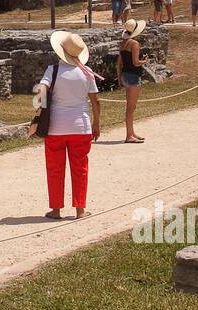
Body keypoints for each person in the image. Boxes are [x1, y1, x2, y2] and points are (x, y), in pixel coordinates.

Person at [34, 31, 101, 220]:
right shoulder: (87, 73)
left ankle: (56, 209)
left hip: (56, 127)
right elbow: (95, 101)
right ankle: (80, 209)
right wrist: (97, 123)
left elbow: (41, 91)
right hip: (81, 126)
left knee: (55, 169)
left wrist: (39, 101)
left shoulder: (53, 70)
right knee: (80, 168)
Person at [117, 18, 148, 144]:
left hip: (125, 75)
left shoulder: (123, 43)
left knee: (130, 107)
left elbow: (118, 64)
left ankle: (132, 132)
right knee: (131, 107)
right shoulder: (134, 44)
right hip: (133, 76)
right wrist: (144, 61)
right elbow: (136, 62)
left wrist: (119, 79)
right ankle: (129, 135)